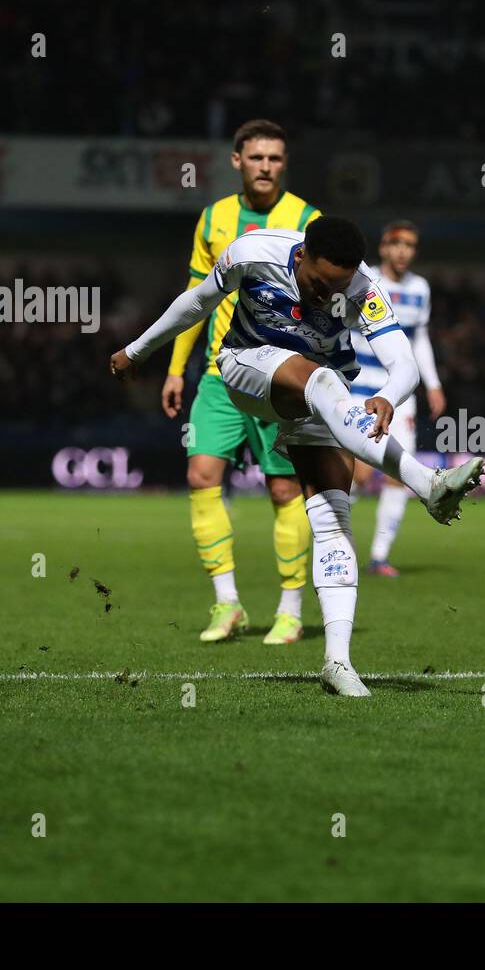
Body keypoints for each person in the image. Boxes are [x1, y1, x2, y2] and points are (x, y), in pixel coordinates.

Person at [111, 217, 483, 697]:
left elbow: (404, 362)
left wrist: (389, 395)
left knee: (333, 516)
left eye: (337, 288)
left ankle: (338, 661)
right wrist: (138, 351)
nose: (324, 295)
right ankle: (427, 483)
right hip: (246, 365)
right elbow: (199, 301)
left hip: (316, 392)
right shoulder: (253, 252)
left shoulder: (363, 288)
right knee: (325, 381)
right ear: (302, 254)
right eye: (317, 283)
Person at [162, 119, 319, 646]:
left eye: (275, 158)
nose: (266, 167)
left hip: (280, 378)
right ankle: (227, 603)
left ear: (284, 163)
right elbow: (195, 296)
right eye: (256, 158)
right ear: (237, 161)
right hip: (217, 372)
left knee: (282, 489)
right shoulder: (214, 218)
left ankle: (290, 609)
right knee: (202, 474)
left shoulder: (306, 219)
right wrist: (173, 368)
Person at [349, 220, 446, 575]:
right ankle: (336, 547)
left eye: (411, 245)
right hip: (360, 390)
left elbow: (419, 339)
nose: (404, 251)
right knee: (357, 476)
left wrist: (432, 383)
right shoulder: (363, 280)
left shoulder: (420, 288)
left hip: (401, 395)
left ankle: (379, 556)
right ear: (384, 247)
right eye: (397, 243)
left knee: (396, 476)